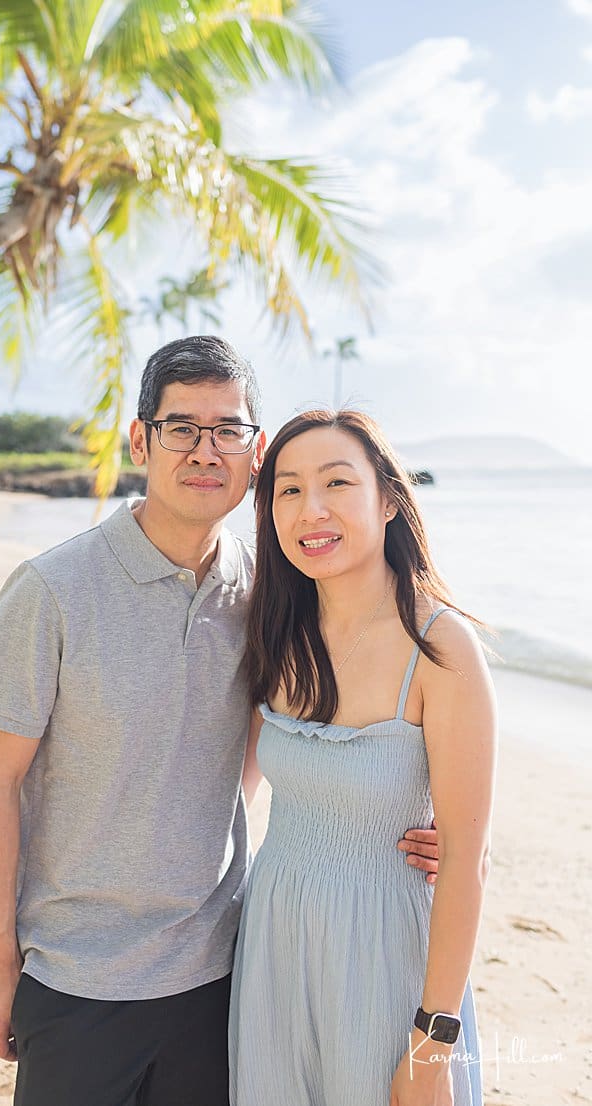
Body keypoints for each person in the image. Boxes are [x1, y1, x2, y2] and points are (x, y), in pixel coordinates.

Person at [0, 336, 441, 1106]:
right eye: (182, 426)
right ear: (140, 439)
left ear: (255, 453)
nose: (204, 449)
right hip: (77, 979)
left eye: (228, 429)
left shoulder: (270, 597)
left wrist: (414, 824)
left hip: (222, 976)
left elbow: (314, 734)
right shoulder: (51, 590)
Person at [230, 409, 492, 1106]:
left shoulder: (442, 648)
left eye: (336, 483)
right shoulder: (276, 633)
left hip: (385, 960)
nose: (310, 510)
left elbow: (467, 858)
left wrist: (433, 1044)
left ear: (389, 499)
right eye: (287, 489)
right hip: (275, 950)